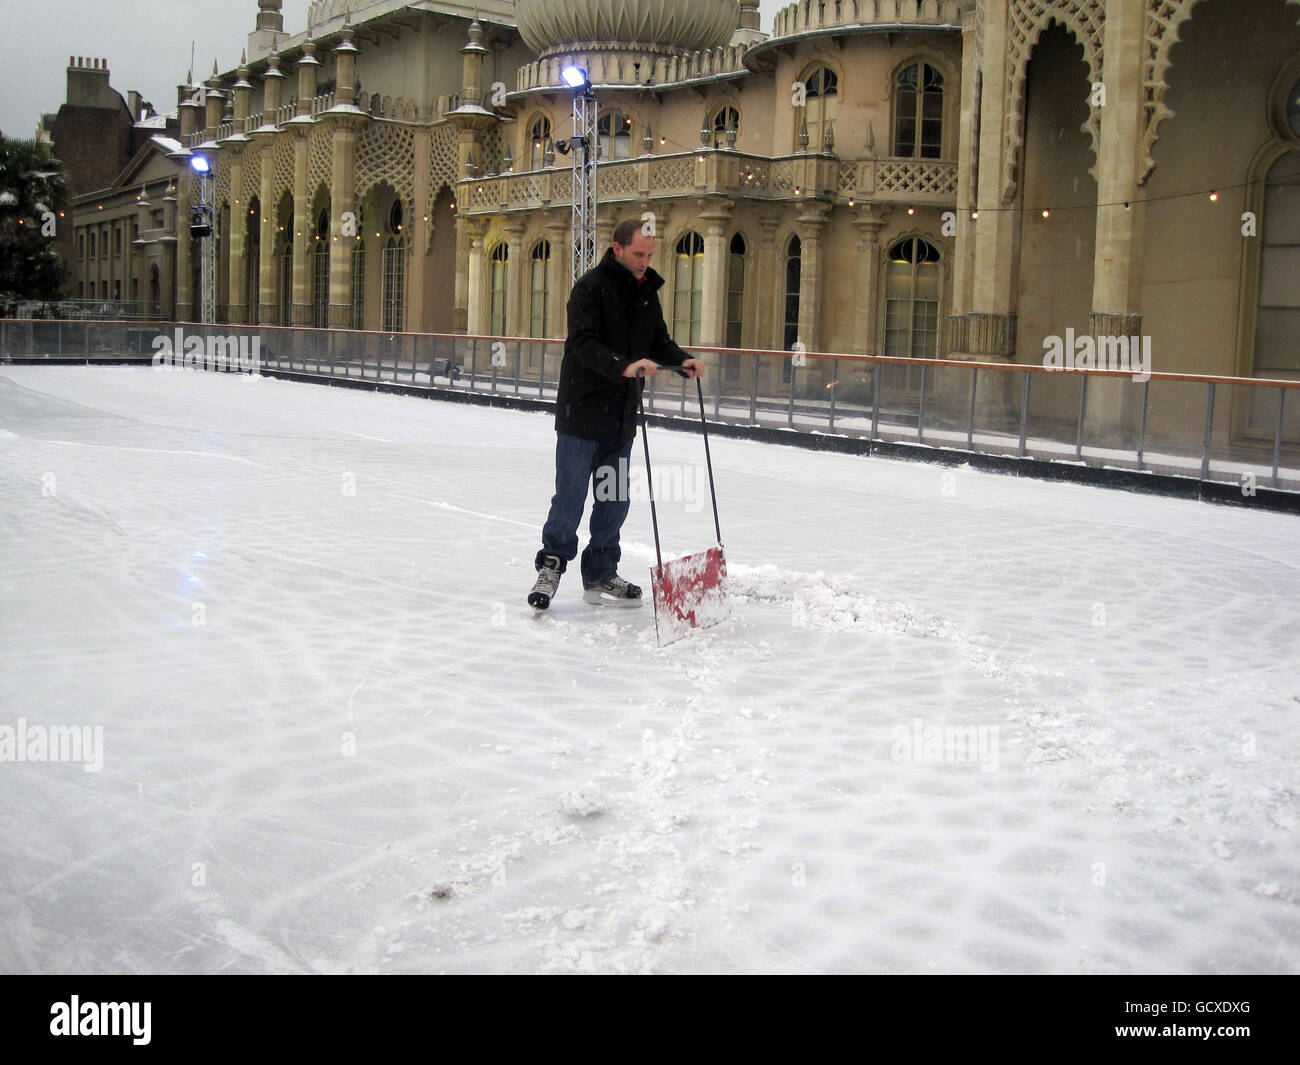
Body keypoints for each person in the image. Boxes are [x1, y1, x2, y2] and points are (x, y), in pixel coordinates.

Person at [528, 218, 703, 610]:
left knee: (613, 501)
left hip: (621, 420)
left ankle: (601, 572)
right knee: (570, 498)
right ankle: (552, 565)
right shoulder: (590, 289)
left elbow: (658, 342)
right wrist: (624, 366)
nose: (644, 262)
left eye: (649, 255)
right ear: (618, 248)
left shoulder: (646, 294)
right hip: (582, 416)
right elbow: (583, 344)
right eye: (639, 254)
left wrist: (682, 360)